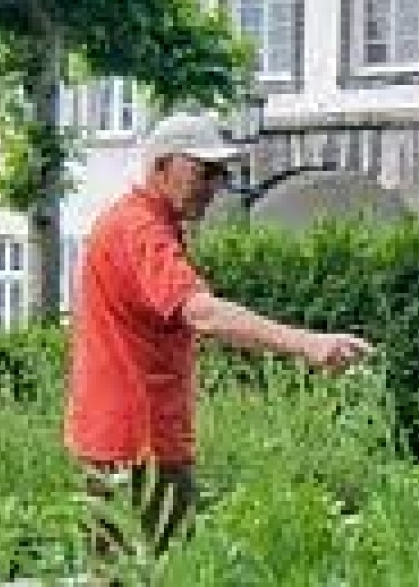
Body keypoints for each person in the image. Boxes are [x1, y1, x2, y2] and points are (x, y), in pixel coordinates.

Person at [64, 112, 373, 559]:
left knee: (134, 567)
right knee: (151, 569)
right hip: (134, 440)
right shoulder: (140, 230)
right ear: (161, 166)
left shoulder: (143, 223)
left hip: (130, 434)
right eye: (204, 171)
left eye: (221, 173)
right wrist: (308, 344)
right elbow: (202, 313)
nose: (215, 185)